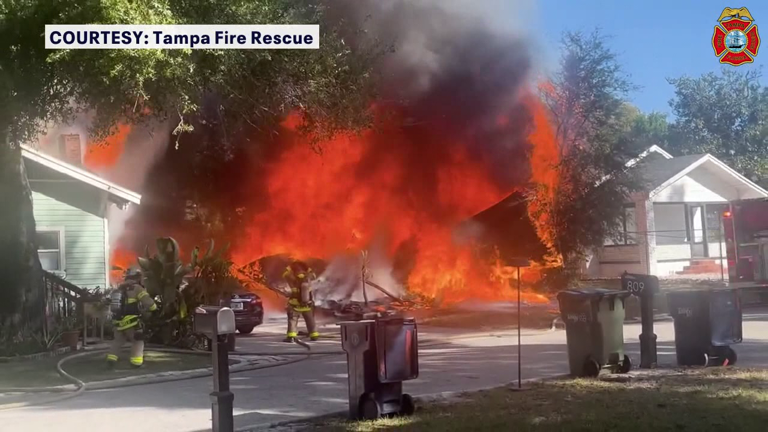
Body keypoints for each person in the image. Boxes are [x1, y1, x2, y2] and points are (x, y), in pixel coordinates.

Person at [106, 268, 157, 368]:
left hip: (118, 322)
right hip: (132, 322)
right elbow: (147, 301)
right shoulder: (137, 288)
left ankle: (111, 359)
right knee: (137, 340)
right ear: (137, 277)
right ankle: (136, 362)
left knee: (118, 341)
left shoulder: (118, 289)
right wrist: (154, 308)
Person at [282, 260, 320, 343]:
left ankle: (291, 337)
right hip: (307, 303)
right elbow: (313, 275)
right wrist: (307, 268)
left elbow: (285, 274)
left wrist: (289, 267)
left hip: (295, 303)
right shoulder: (308, 277)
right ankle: (314, 335)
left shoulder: (291, 277)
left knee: (292, 320)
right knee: (310, 320)